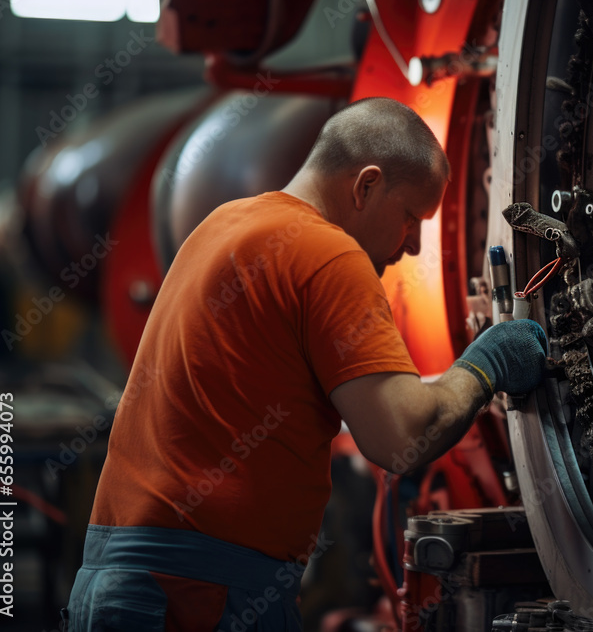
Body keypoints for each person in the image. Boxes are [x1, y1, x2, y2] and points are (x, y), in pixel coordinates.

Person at [64, 97, 548, 631]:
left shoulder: (222, 224)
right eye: (412, 217)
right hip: (199, 590)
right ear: (365, 185)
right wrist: (486, 365)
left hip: (118, 578)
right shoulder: (329, 255)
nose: (413, 245)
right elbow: (401, 436)